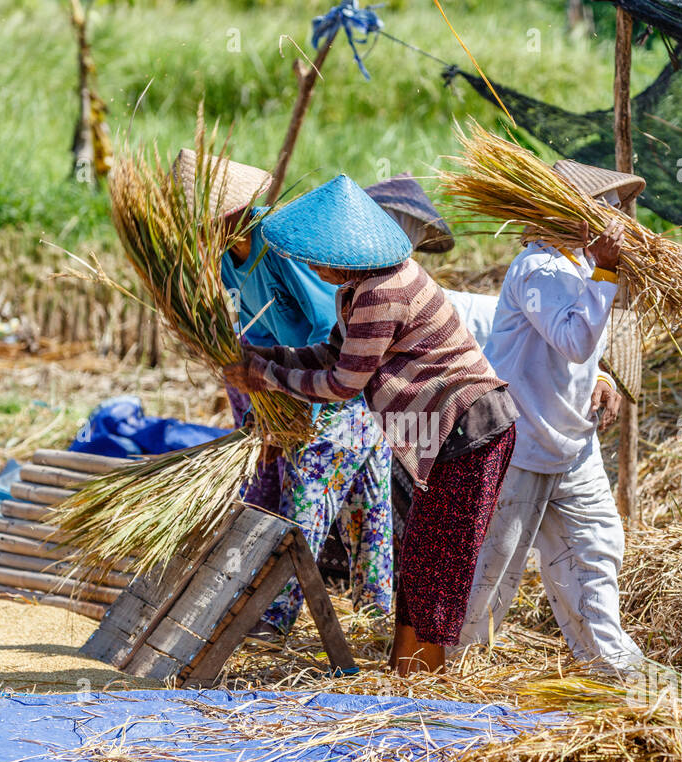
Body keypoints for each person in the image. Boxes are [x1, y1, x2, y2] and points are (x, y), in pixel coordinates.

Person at [222, 175, 518, 675]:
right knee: (423, 555)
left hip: (471, 431)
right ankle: (409, 672)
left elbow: (342, 383)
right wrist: (267, 356)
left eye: (319, 256)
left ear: (346, 252)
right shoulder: (362, 288)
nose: (313, 267)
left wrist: (268, 376)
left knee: (437, 559)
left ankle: (423, 678)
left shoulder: (384, 291)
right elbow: (333, 351)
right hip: (449, 434)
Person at [174, 149, 393, 635]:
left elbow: (326, 327)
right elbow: (255, 330)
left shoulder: (279, 244)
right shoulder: (226, 257)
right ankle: (378, 619)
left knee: (307, 510)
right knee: (366, 504)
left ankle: (272, 623)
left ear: (231, 212)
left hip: (336, 391)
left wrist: (286, 390)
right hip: (295, 386)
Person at [452, 159, 647, 677]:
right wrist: (606, 269)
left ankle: (611, 663)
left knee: (597, 544)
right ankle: (450, 671)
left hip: (571, 443)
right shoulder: (537, 268)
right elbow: (574, 339)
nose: (605, 217)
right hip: (522, 441)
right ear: (562, 211)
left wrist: (603, 382)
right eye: (596, 208)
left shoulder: (577, 265)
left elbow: (583, 353)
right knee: (493, 567)